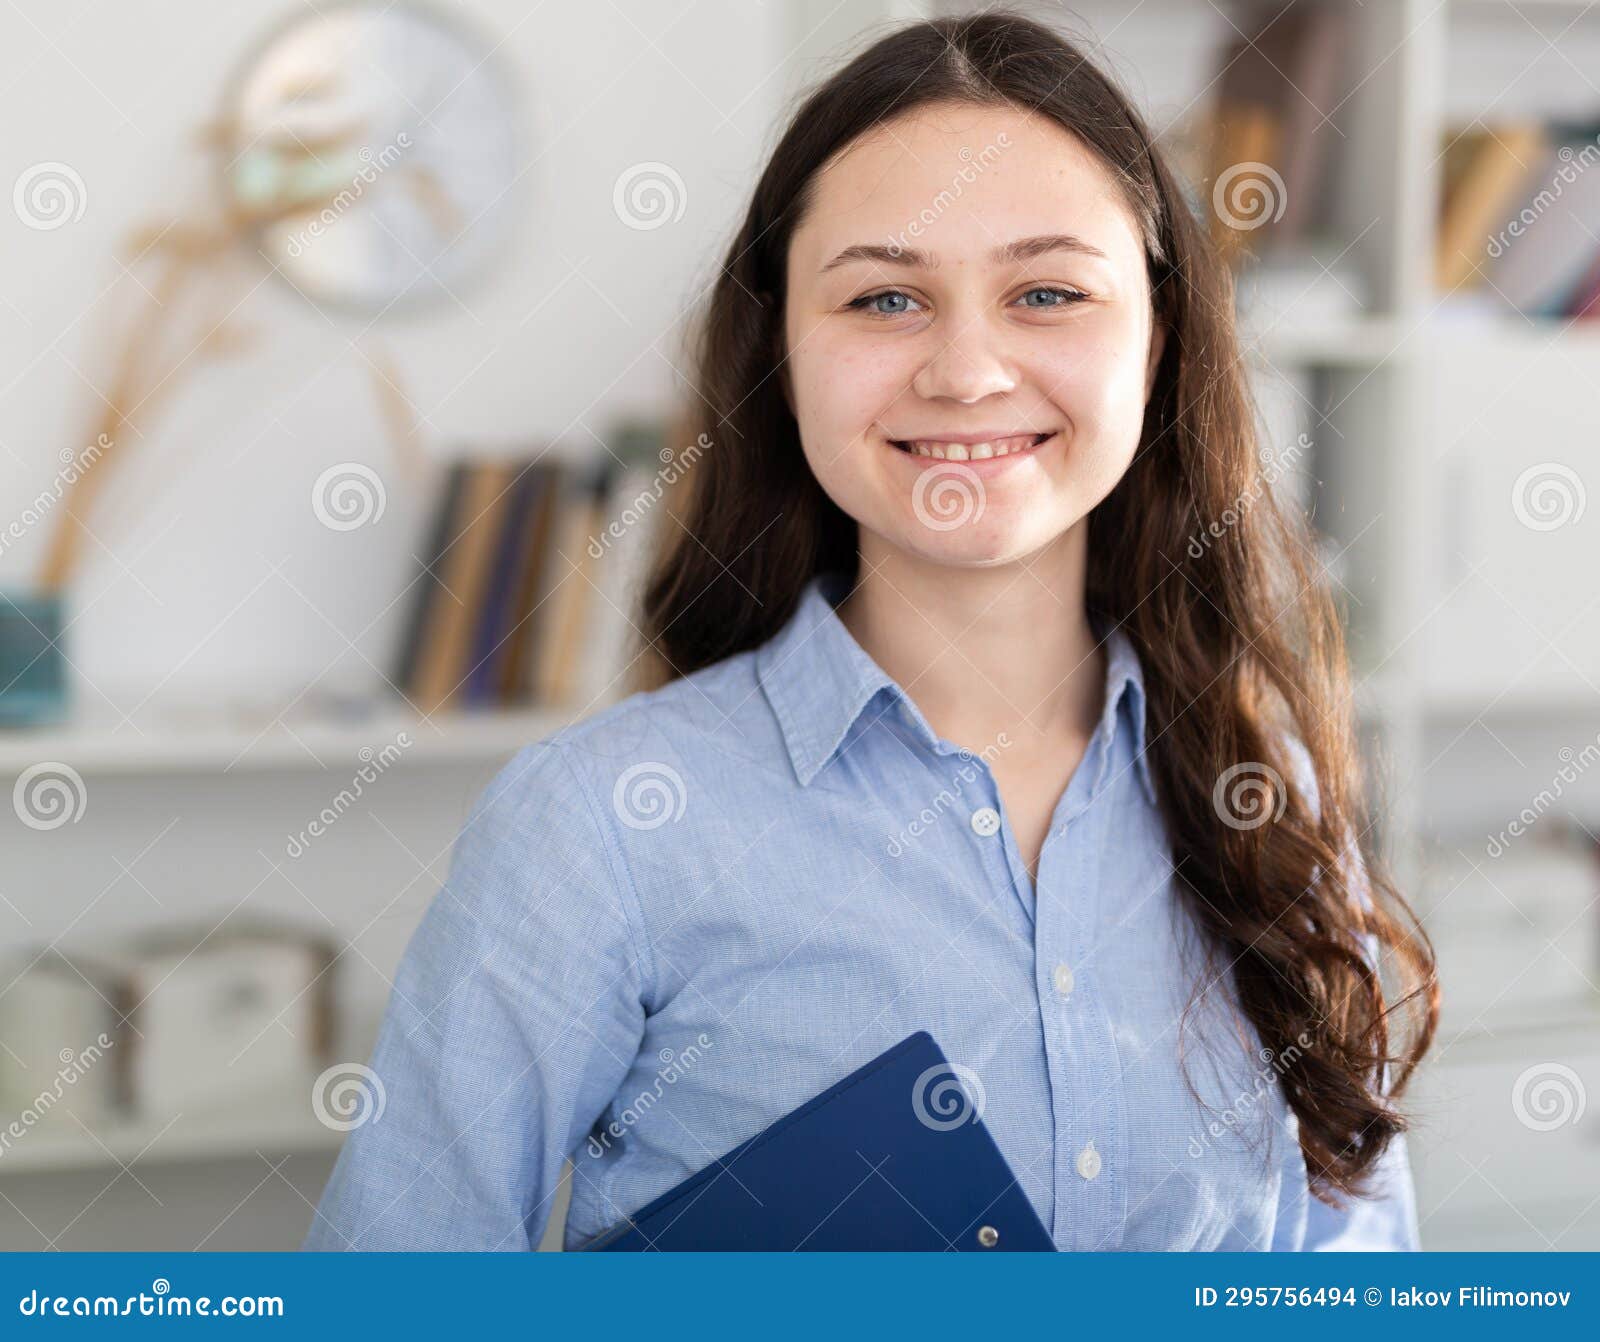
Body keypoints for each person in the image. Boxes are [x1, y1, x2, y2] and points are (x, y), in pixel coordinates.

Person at [303, 9, 1438, 1252]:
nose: (964, 370)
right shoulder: (599, 828)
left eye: (1048, 292)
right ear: (781, 353)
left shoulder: (1265, 791)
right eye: (885, 297)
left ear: (1156, 342)